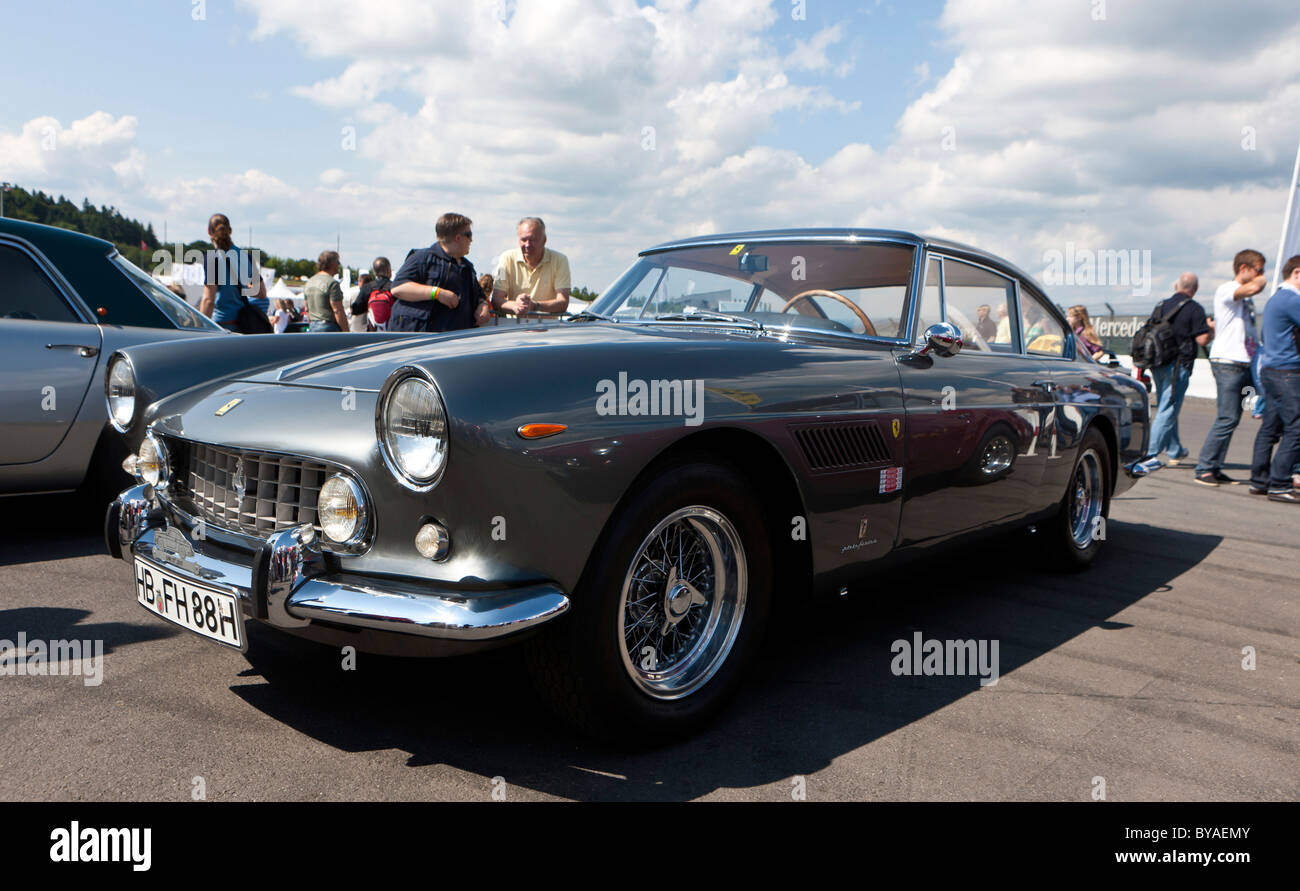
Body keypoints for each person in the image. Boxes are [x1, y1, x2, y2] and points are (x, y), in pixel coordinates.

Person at [1193, 249, 1267, 486]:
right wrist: (1263, 279)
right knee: (1226, 417)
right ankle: (1205, 467)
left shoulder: (1246, 299)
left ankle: (1214, 466)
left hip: (1244, 361)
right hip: (1228, 362)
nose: (1261, 274)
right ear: (1244, 269)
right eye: (1258, 269)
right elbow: (1254, 287)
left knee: (1233, 418)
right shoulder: (1227, 289)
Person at [1134, 273, 1210, 474]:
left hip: (1158, 363)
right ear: (1195, 288)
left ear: (1177, 285)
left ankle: (1175, 450)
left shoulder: (1161, 305)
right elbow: (1202, 340)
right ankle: (1150, 453)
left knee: (1166, 405)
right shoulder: (1195, 309)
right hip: (1178, 365)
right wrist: (1211, 329)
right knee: (1168, 408)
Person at [1248, 255, 1300, 502]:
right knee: (1296, 428)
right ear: (1297, 273)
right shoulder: (1291, 300)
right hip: (1288, 372)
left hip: (1271, 370)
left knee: (1270, 427)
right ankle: (1279, 483)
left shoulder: (1275, 300)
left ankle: (1259, 481)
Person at [388, 214, 491, 332]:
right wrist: (437, 293)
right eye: (469, 235)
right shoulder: (422, 258)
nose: (471, 240)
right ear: (458, 238)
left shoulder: (467, 267)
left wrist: (483, 305)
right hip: (421, 342)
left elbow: (479, 296)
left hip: (455, 343)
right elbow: (398, 288)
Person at [198, 213, 267, 333]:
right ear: (230, 231)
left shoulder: (211, 259)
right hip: (244, 323)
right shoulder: (247, 257)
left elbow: (209, 300)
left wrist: (200, 327)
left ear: (209, 231)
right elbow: (261, 293)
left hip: (222, 323)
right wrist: (242, 288)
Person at [492, 217, 571, 318]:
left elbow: (563, 302)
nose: (527, 245)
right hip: (514, 328)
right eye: (523, 240)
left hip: (548, 329)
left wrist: (535, 306)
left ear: (544, 240)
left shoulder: (560, 260)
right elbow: (496, 299)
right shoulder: (505, 258)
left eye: (533, 240)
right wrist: (516, 306)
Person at [304, 250, 348, 332]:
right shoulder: (332, 283)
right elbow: (338, 311)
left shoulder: (309, 282)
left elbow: (307, 309)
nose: (339, 264)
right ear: (332, 264)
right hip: (329, 327)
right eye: (337, 262)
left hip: (313, 327)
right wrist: (346, 332)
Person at [354, 257, 393, 332]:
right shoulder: (394, 286)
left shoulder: (367, 287)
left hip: (372, 331)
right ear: (388, 270)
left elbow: (356, 309)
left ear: (374, 272)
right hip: (390, 331)